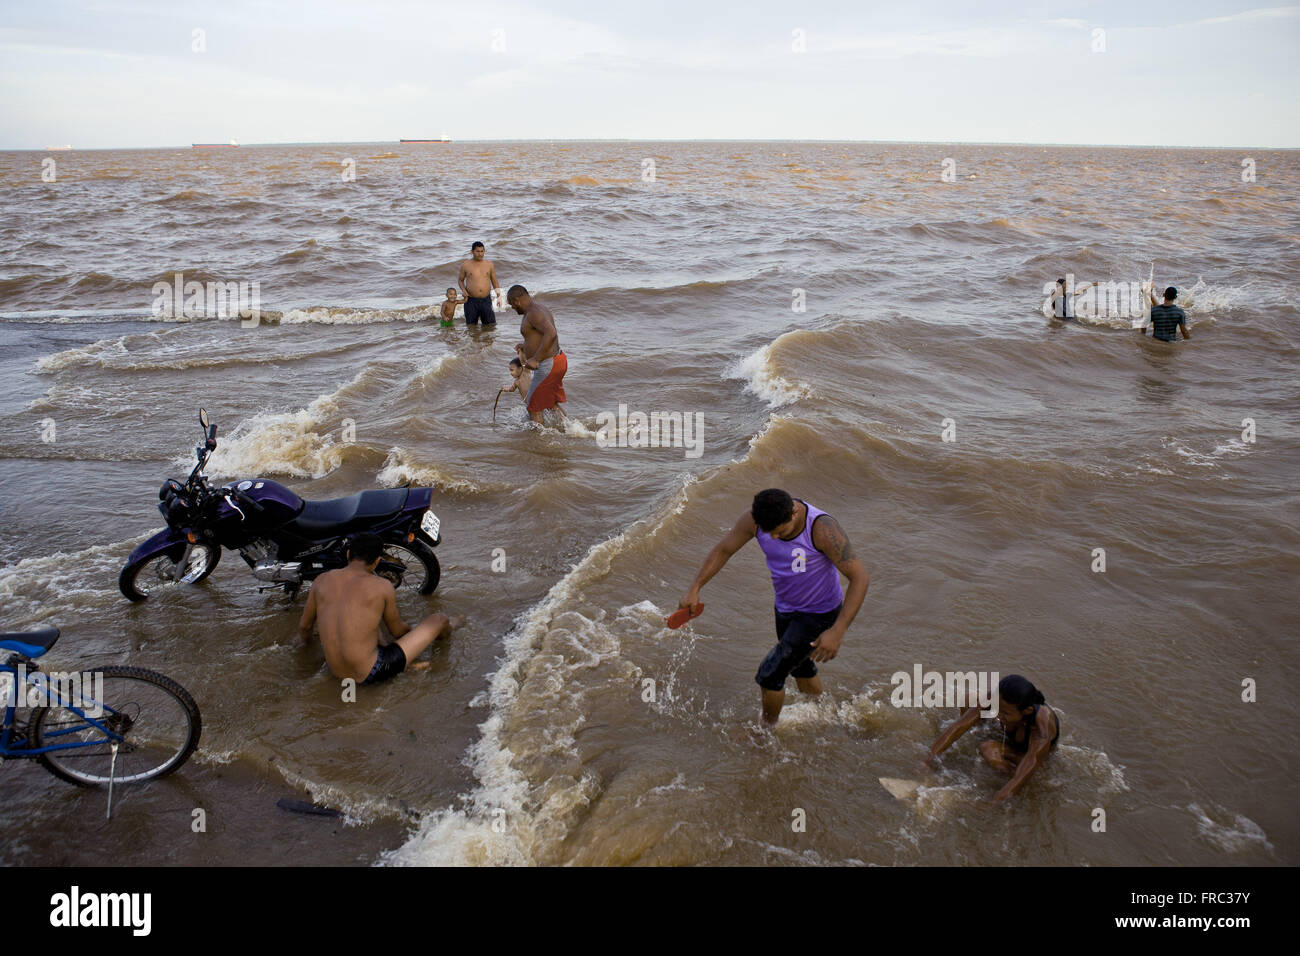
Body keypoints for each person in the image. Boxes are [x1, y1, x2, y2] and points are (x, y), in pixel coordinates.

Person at [678, 488, 869, 726]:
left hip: (819, 614)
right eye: (770, 533)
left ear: (794, 513)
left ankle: (765, 732)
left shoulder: (822, 529)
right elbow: (724, 549)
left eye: (781, 532)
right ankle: (822, 713)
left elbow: (859, 577)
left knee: (770, 675)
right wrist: (695, 587)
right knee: (800, 667)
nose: (775, 539)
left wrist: (838, 630)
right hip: (785, 609)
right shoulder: (754, 520)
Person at [296, 533, 462, 685]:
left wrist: (309, 650)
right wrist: (417, 635)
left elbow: (305, 627)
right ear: (376, 561)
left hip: (336, 672)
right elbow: (397, 631)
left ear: (348, 555)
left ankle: (408, 664)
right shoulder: (382, 586)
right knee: (439, 619)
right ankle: (449, 629)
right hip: (373, 672)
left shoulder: (321, 580)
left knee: (367, 621)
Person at [921, 674, 1060, 803]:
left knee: (988, 749)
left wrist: (993, 803)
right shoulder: (995, 698)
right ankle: (982, 730)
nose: (998, 715)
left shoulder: (1041, 730)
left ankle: (1006, 778)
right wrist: (929, 758)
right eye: (996, 708)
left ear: (1026, 712)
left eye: (1005, 713)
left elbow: (1030, 764)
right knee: (970, 699)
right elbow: (958, 727)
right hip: (1012, 734)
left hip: (1027, 754)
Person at [508, 284, 568, 423]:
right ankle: (571, 430)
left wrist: (536, 358)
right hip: (557, 360)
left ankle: (537, 443)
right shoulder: (539, 308)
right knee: (551, 404)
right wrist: (526, 345)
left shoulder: (533, 313)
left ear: (517, 300)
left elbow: (551, 333)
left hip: (548, 364)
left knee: (533, 407)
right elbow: (541, 335)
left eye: (511, 304)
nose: (512, 307)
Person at [458, 241, 501, 327]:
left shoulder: (489, 265)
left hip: (486, 300)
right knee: (471, 326)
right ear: (472, 252)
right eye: (477, 251)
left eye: (482, 251)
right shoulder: (465, 265)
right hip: (470, 300)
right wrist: (463, 290)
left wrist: (499, 296)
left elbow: (494, 281)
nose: (480, 254)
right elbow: (460, 280)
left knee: (490, 326)